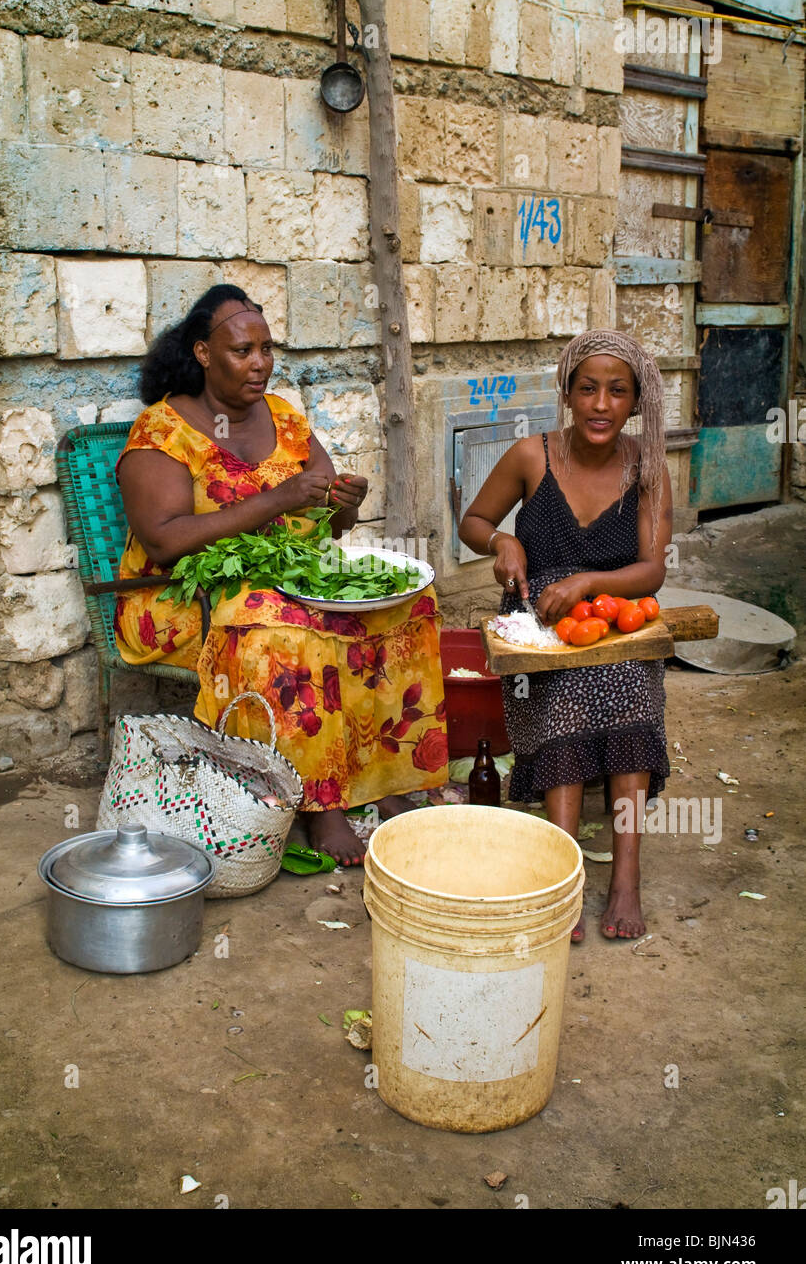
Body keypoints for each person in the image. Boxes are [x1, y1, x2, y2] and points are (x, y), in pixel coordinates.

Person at [113, 284, 448, 867]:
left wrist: (346, 500)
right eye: (243, 351)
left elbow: (332, 521)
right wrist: (278, 498)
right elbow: (163, 540)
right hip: (182, 598)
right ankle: (321, 805)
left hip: (282, 579)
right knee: (288, 627)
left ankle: (386, 776)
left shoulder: (284, 418)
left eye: (267, 349)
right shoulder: (161, 431)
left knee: (408, 604)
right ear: (202, 354)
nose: (260, 363)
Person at [459, 329, 673, 942]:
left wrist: (585, 582)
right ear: (568, 393)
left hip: (616, 618)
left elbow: (652, 569)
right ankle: (564, 871)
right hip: (537, 622)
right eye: (588, 389)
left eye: (617, 391)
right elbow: (474, 521)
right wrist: (503, 540)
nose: (601, 404)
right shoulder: (533, 456)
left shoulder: (647, 467)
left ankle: (626, 873)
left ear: (635, 403)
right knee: (567, 695)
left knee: (630, 691)